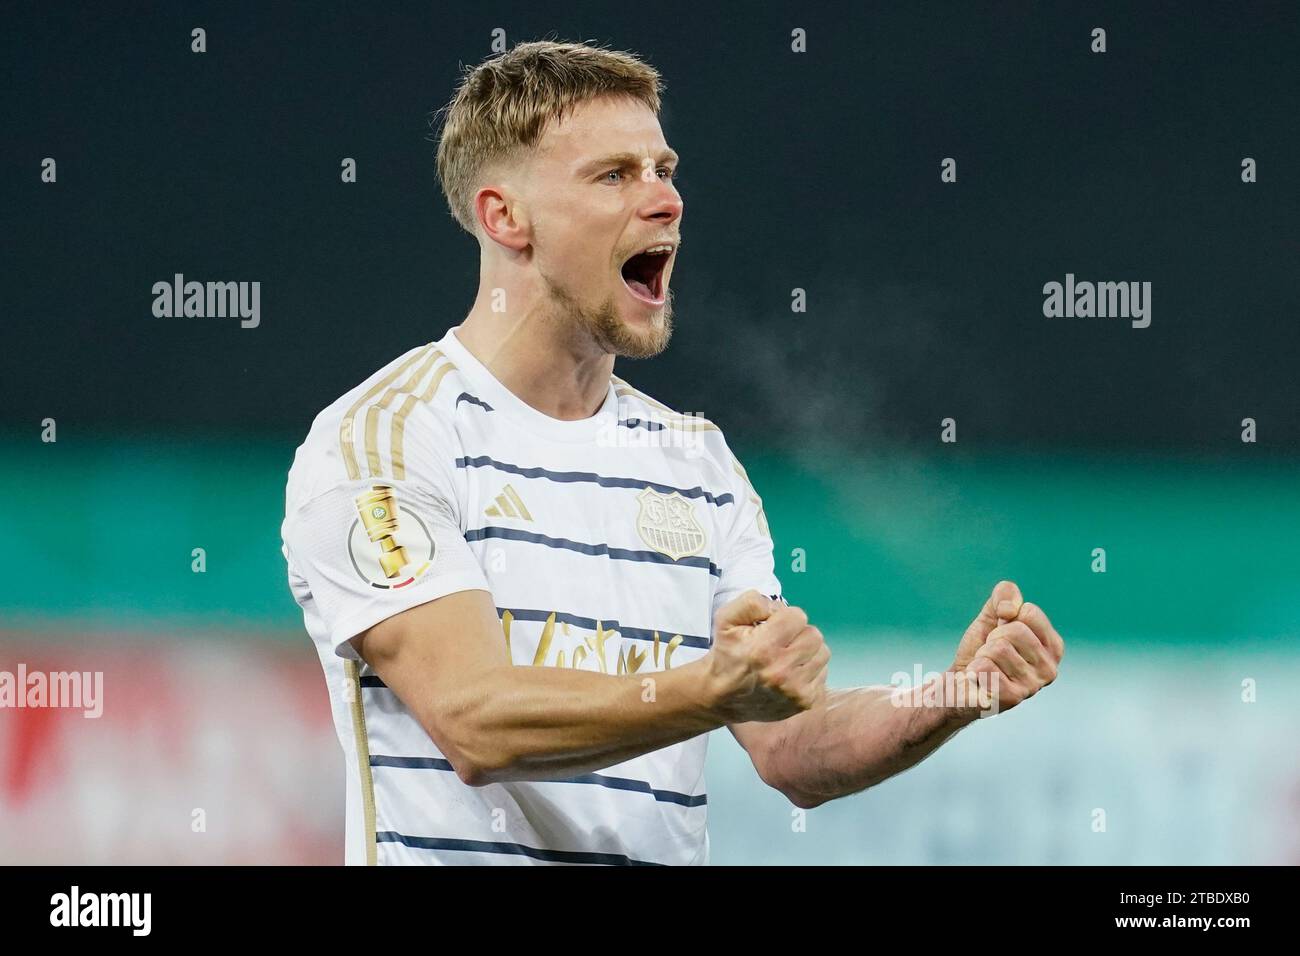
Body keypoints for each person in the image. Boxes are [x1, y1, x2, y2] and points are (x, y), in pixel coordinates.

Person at [280, 39, 1064, 866]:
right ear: (505, 216)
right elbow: (476, 720)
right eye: (615, 175)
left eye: (665, 168)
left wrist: (948, 697)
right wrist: (707, 687)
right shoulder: (386, 440)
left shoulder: (697, 464)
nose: (665, 200)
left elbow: (792, 746)